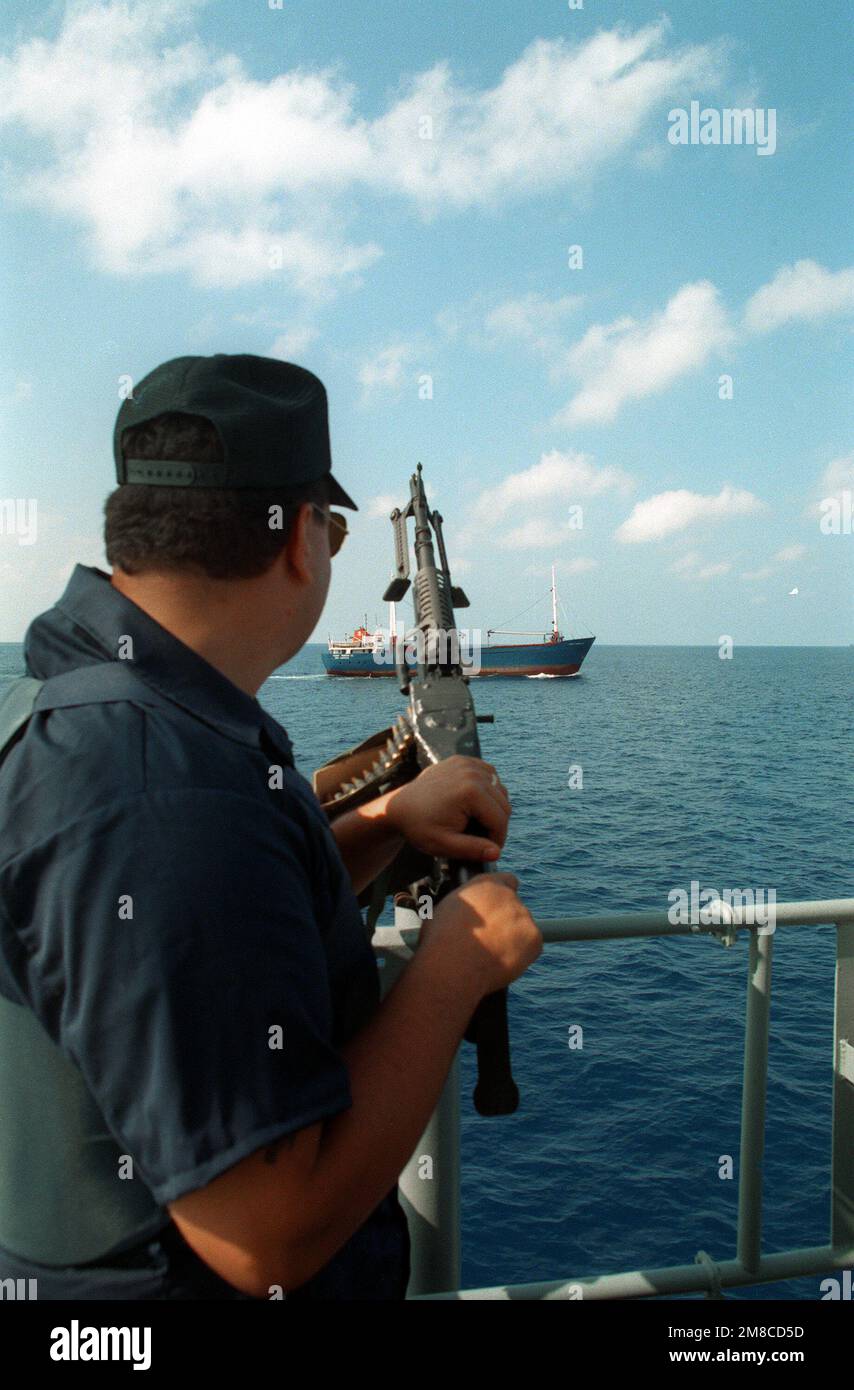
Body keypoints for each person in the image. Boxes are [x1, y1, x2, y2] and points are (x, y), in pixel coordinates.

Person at [0, 353, 542, 1300]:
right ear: (300, 539)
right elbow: (267, 1241)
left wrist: (380, 823)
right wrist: (457, 964)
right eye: (333, 529)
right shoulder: (158, 788)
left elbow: (213, 913)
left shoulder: (77, 703)